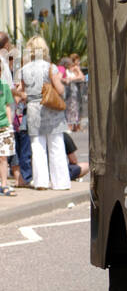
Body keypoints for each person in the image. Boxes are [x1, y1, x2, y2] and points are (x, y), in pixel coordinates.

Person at [16, 35, 70, 190]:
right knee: (56, 145)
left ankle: (41, 182)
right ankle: (60, 182)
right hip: (51, 108)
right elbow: (59, 90)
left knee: (37, 147)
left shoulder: (24, 69)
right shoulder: (50, 67)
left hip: (33, 108)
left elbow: (19, 91)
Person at [0, 73, 16, 195]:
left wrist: (10, 124)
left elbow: (7, 106)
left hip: (4, 125)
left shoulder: (4, 87)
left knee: (3, 157)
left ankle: (4, 184)